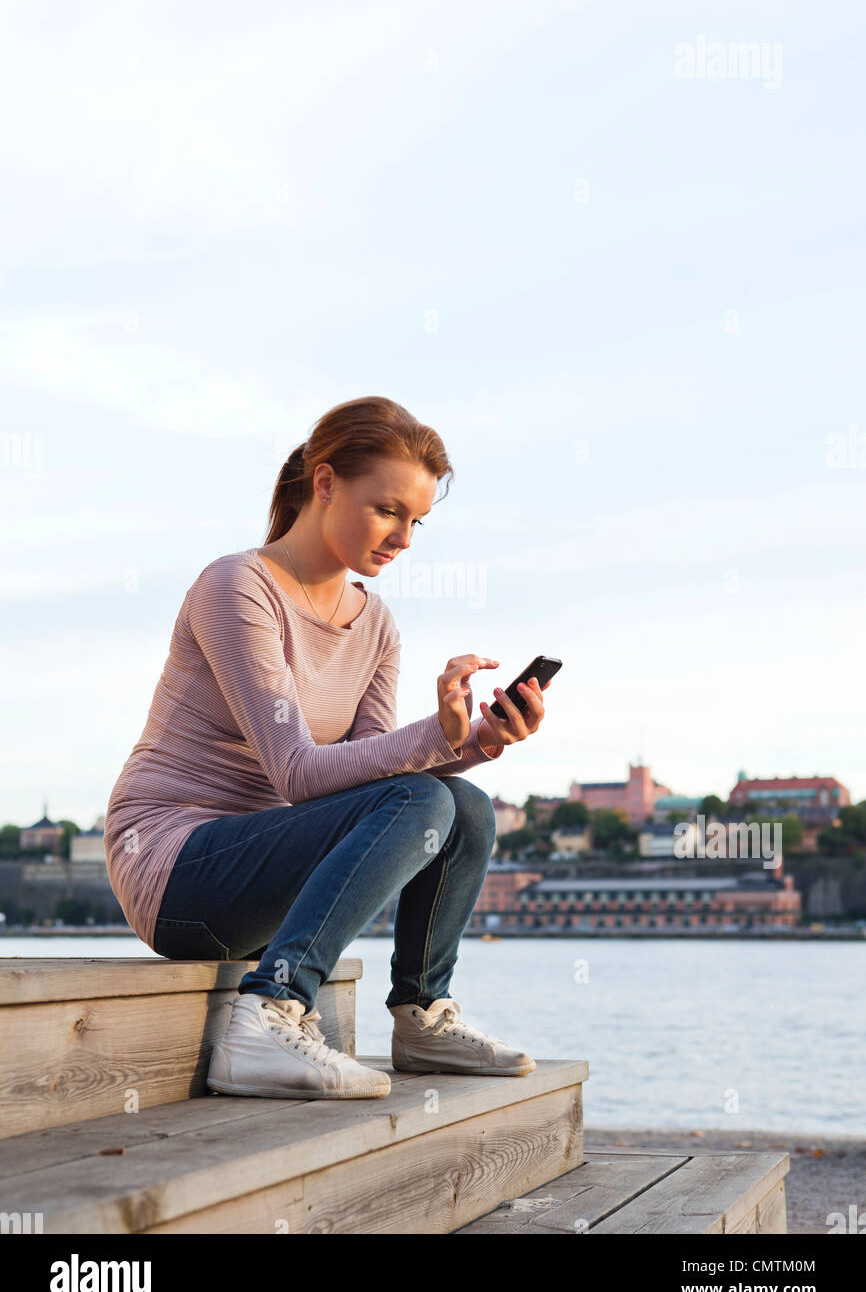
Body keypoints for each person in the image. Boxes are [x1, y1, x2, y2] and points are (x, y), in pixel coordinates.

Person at [103, 396, 550, 1100]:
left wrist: (476, 742)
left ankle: (421, 1017)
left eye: (417, 520)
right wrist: (437, 736)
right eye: (386, 509)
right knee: (424, 792)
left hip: (265, 865)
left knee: (463, 805)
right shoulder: (237, 588)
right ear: (324, 482)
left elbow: (372, 784)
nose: (403, 536)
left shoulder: (376, 625)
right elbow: (298, 772)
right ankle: (268, 1013)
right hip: (175, 870)